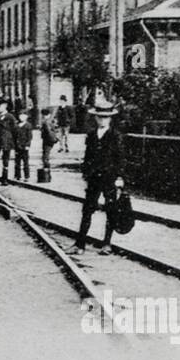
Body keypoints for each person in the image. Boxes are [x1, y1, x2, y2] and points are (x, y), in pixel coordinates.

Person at [73, 92, 125, 255]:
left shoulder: (116, 136)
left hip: (109, 177)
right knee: (87, 209)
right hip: (94, 178)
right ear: (95, 118)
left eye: (106, 117)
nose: (102, 120)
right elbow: (88, 156)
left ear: (110, 119)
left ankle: (106, 244)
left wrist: (119, 177)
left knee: (110, 209)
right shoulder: (91, 135)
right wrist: (86, 173)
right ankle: (80, 244)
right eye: (100, 117)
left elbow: (120, 158)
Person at [0, 99, 16, 183]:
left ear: (4, 106)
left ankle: (4, 178)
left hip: (6, 141)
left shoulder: (10, 117)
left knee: (5, 160)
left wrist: (14, 142)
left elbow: (14, 129)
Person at [13, 111, 32, 181]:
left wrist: (27, 145)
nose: (21, 117)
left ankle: (26, 176)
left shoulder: (28, 125)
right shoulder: (16, 125)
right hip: (17, 146)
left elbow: (29, 137)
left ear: (26, 117)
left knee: (25, 162)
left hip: (24, 146)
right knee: (17, 162)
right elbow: (14, 136)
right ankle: (17, 175)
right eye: (20, 116)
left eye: (23, 116)